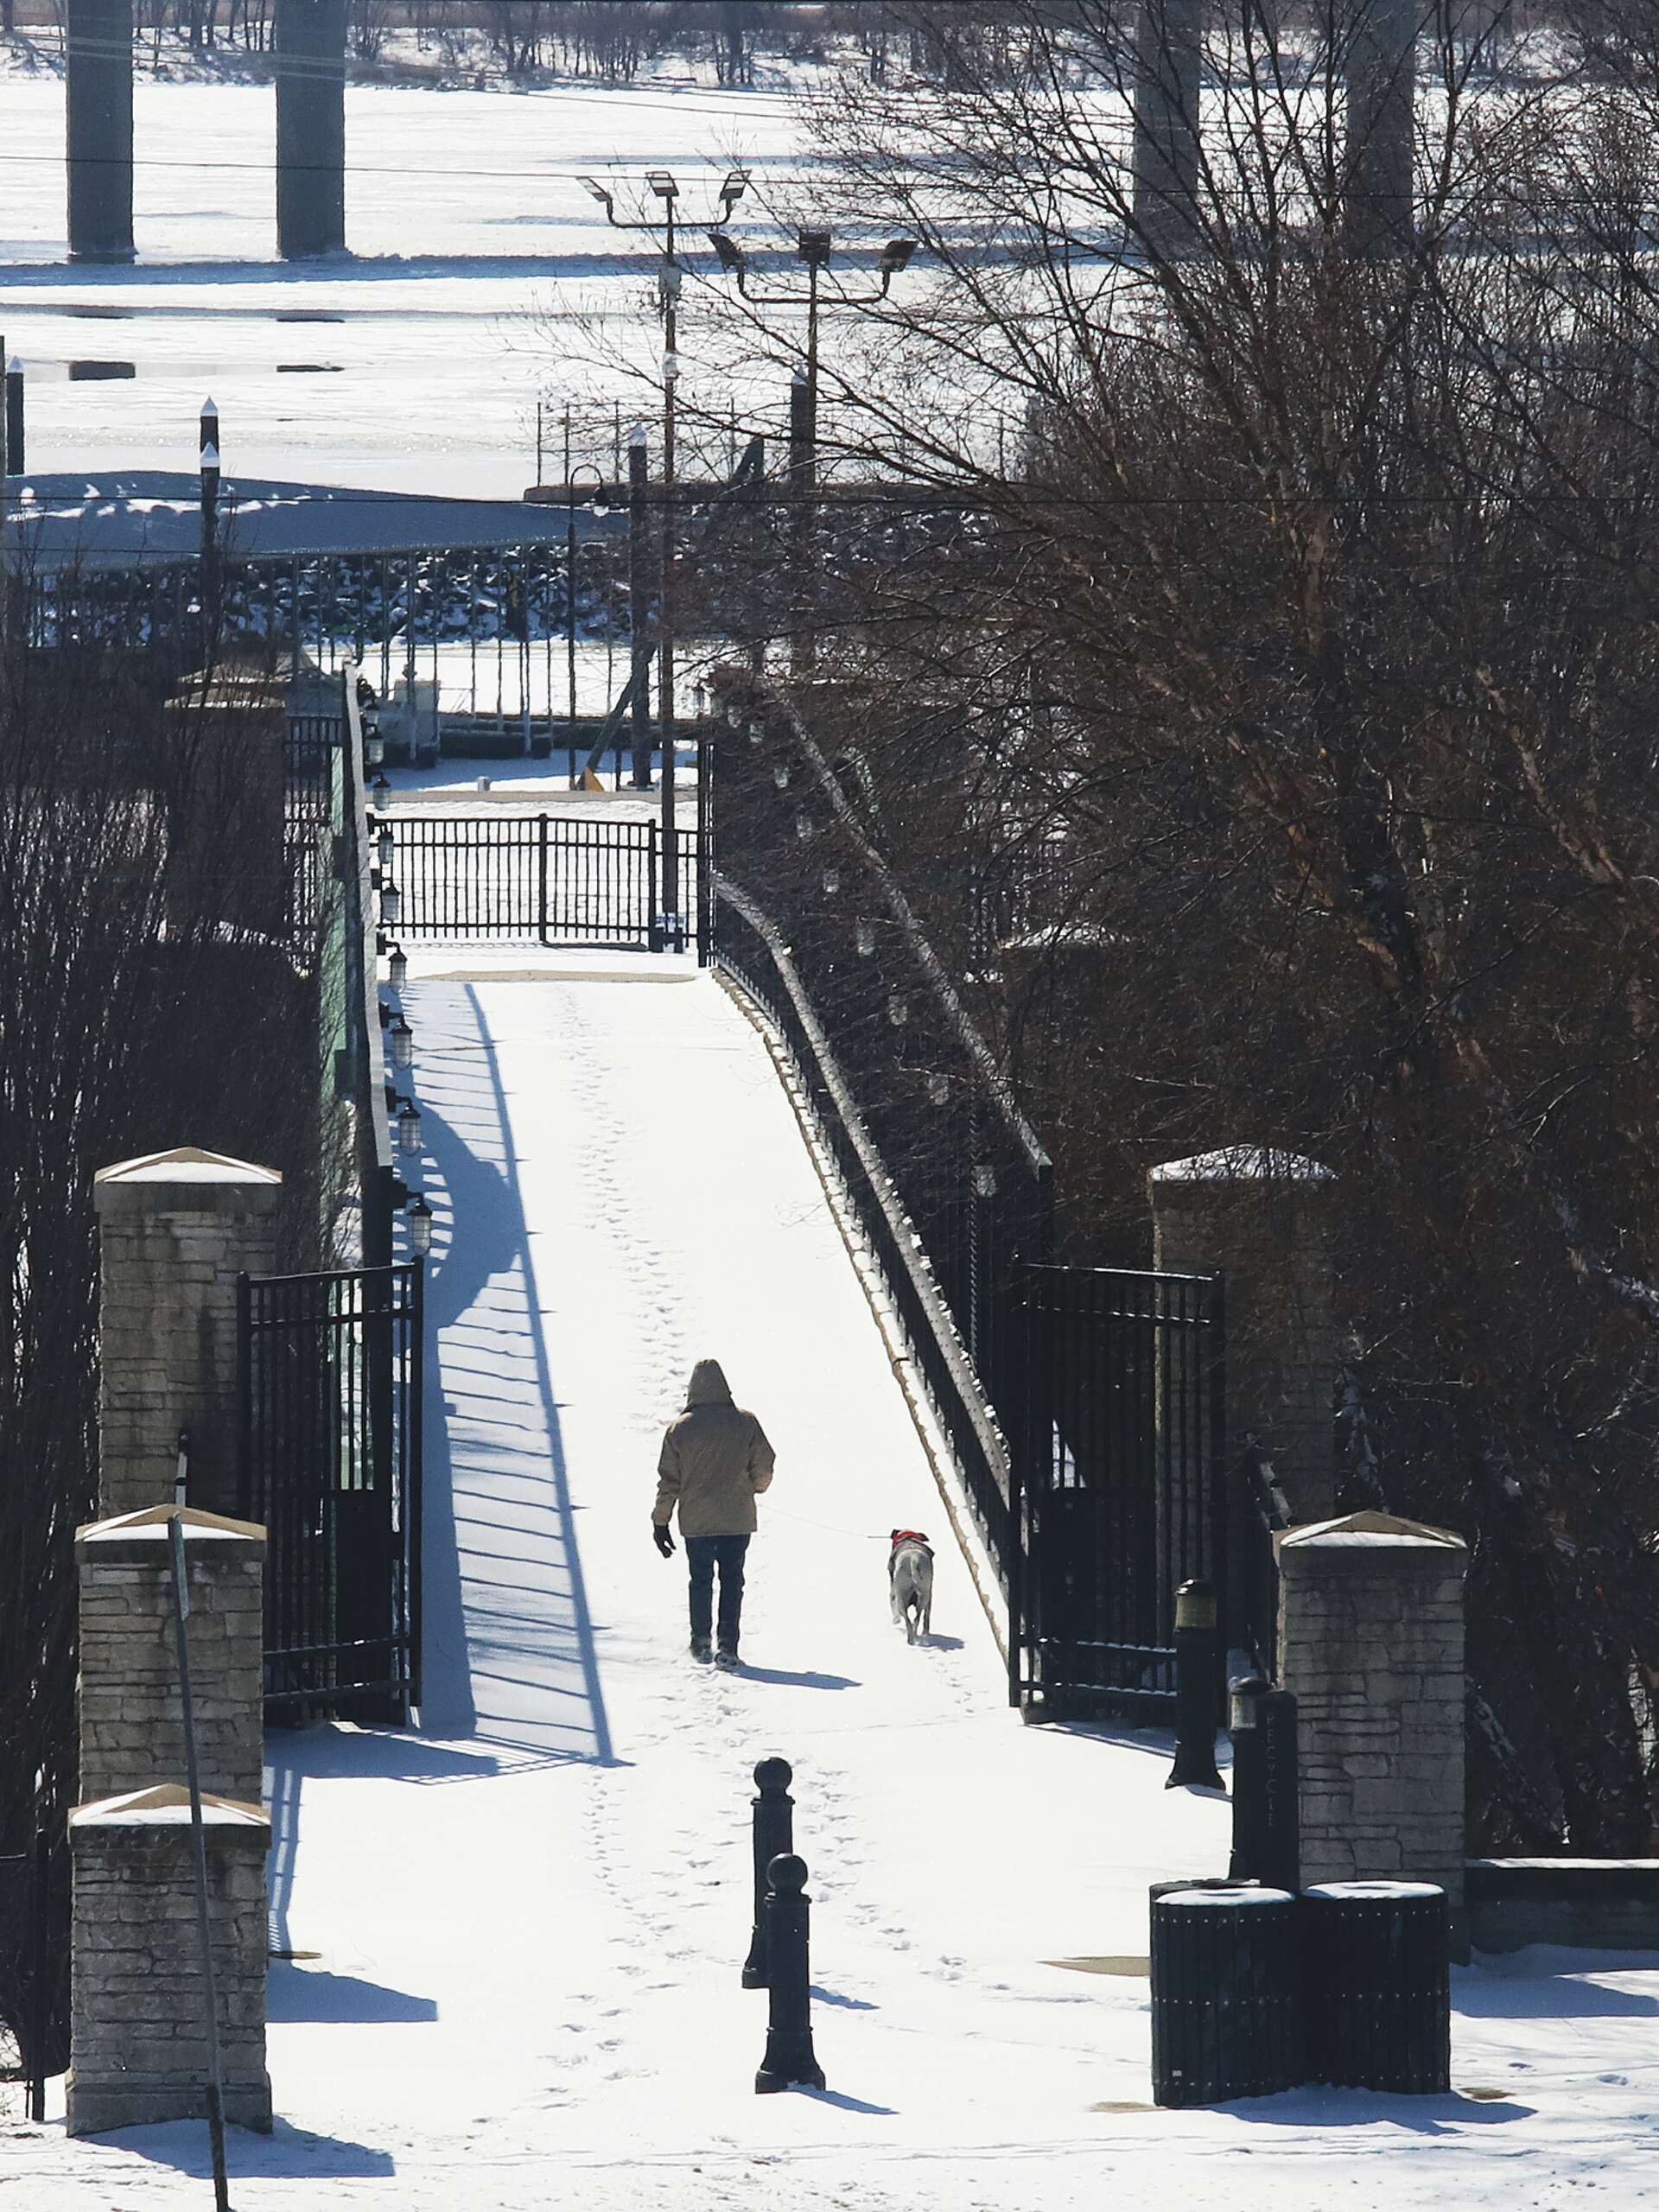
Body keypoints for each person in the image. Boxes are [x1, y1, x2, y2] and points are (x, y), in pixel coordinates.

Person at [652, 1358, 775, 1669]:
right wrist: (754, 1487)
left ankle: (700, 1641)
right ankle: (729, 1646)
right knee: (733, 1581)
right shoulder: (746, 1423)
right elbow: (765, 1464)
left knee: (701, 1579)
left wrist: (661, 1521)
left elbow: (669, 1480)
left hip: (696, 1522)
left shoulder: (680, 1430)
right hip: (737, 1520)